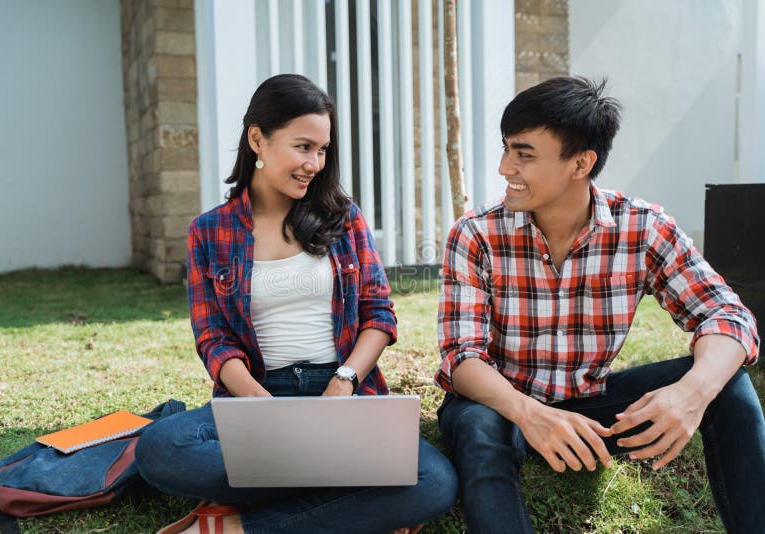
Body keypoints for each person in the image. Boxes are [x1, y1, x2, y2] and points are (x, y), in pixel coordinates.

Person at [435, 76, 764, 533]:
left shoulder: (642, 227)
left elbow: (727, 315)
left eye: (523, 154)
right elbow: (461, 358)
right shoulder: (475, 233)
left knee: (730, 386)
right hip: (500, 404)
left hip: (593, 406)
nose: (504, 167)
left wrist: (691, 394)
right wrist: (531, 413)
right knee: (478, 429)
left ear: (581, 163)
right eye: (506, 148)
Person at [136, 74, 458, 534]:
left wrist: (345, 381)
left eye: (322, 150)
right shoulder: (209, 232)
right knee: (161, 449)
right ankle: (353, 493)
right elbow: (213, 337)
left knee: (434, 481)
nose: (314, 162)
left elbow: (378, 313)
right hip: (259, 393)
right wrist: (257, 403)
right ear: (257, 140)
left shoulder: (343, 219)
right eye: (303, 146)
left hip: (341, 391)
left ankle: (237, 527)